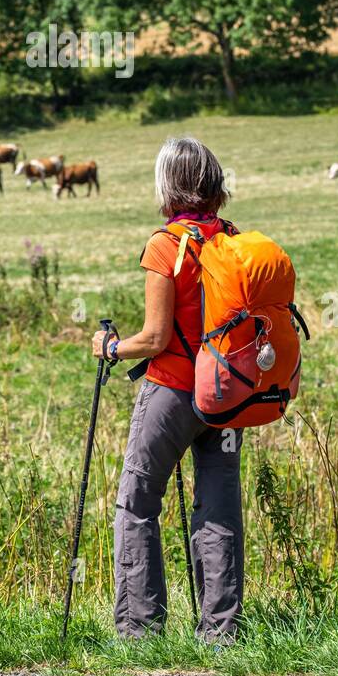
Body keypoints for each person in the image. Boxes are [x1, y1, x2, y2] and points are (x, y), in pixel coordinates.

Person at [92, 135, 243, 641]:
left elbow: (155, 338)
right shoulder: (232, 239)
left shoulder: (166, 245)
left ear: (169, 184)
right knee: (218, 507)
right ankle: (221, 631)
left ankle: (140, 630)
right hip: (226, 395)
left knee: (136, 504)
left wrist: (111, 348)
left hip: (173, 390)